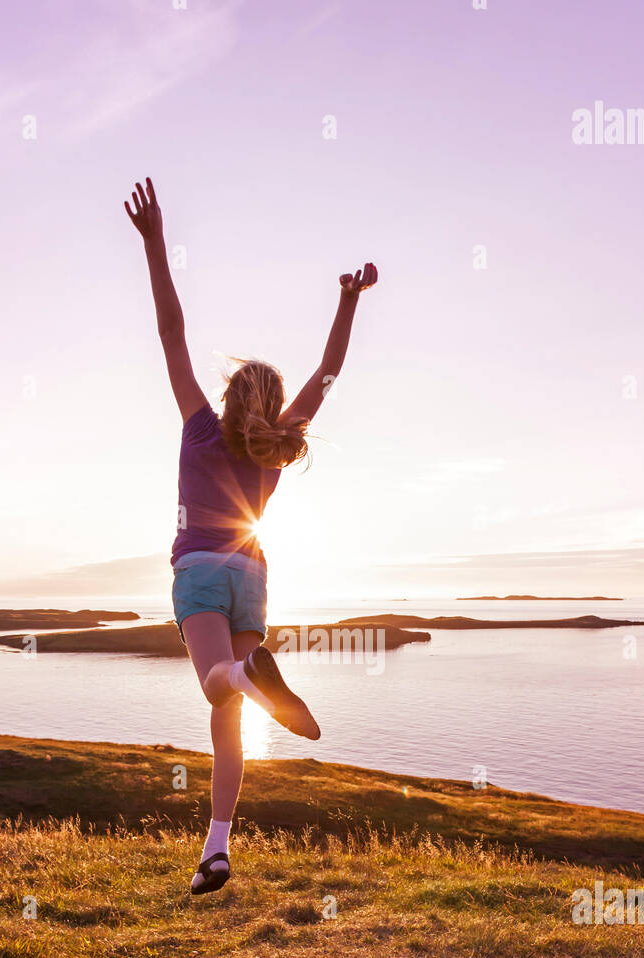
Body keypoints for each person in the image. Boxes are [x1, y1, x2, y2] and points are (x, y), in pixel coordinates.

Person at [125, 177, 378, 894]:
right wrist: (348, 300)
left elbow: (169, 331)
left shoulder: (201, 426)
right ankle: (217, 851)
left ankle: (250, 675)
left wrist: (152, 245)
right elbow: (328, 374)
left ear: (233, 394)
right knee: (228, 724)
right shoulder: (277, 442)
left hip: (202, 569)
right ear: (270, 405)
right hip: (254, 575)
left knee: (216, 691)